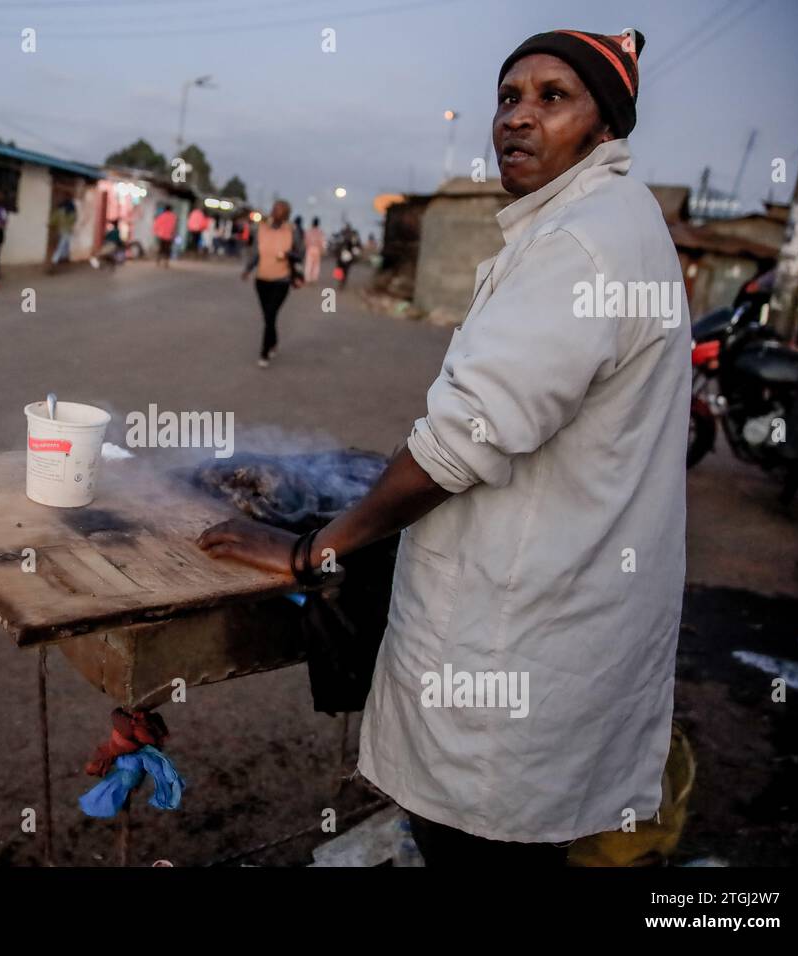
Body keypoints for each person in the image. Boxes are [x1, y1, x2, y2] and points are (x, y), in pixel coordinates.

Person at [200, 28, 690, 868]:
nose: (518, 118)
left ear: (606, 129)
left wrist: (311, 548)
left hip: (520, 642)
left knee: (479, 846)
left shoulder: (579, 243)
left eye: (552, 96)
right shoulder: (605, 223)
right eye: (509, 97)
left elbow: (462, 442)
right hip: (570, 620)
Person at [242, 200, 303, 368]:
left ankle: (264, 352)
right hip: (262, 279)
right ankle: (274, 340)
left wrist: (287, 254)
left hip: (281, 280)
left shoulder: (293, 231)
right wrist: (248, 269)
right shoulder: (261, 228)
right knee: (268, 316)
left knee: (270, 314)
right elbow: (255, 252)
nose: (276, 212)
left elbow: (300, 254)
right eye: (275, 209)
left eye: (280, 210)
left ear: (286, 214)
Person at [48, 197, 77, 271]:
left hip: (60, 231)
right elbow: (73, 221)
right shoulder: (73, 212)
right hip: (67, 231)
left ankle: (62, 259)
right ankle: (54, 262)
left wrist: (50, 224)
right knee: (62, 246)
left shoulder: (59, 211)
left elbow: (53, 220)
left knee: (64, 245)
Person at [303, 216, 325, 283]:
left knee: (309, 264)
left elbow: (305, 241)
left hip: (310, 249)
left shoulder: (308, 231)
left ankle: (307, 278)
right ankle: (314, 278)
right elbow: (322, 242)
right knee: (316, 265)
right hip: (317, 249)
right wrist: (322, 250)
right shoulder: (320, 232)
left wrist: (306, 247)